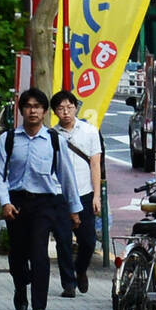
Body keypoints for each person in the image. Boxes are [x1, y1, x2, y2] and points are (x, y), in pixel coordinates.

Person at [0, 87, 81, 310]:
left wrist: (74, 209)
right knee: (18, 256)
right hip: (17, 203)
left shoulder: (53, 140)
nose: (33, 111)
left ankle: (39, 307)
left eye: (38, 107)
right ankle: (20, 286)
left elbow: (65, 174)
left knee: (39, 254)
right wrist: (5, 202)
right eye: (29, 106)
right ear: (21, 110)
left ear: (44, 112)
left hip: (44, 203)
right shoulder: (8, 139)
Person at [50, 89, 101, 294]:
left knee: (88, 241)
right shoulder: (52, 135)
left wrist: (97, 195)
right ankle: (68, 284)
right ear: (55, 111)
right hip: (60, 195)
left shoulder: (89, 132)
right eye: (61, 108)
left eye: (69, 107)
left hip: (84, 193)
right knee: (63, 241)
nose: (66, 112)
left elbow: (95, 164)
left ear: (76, 108)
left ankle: (80, 270)